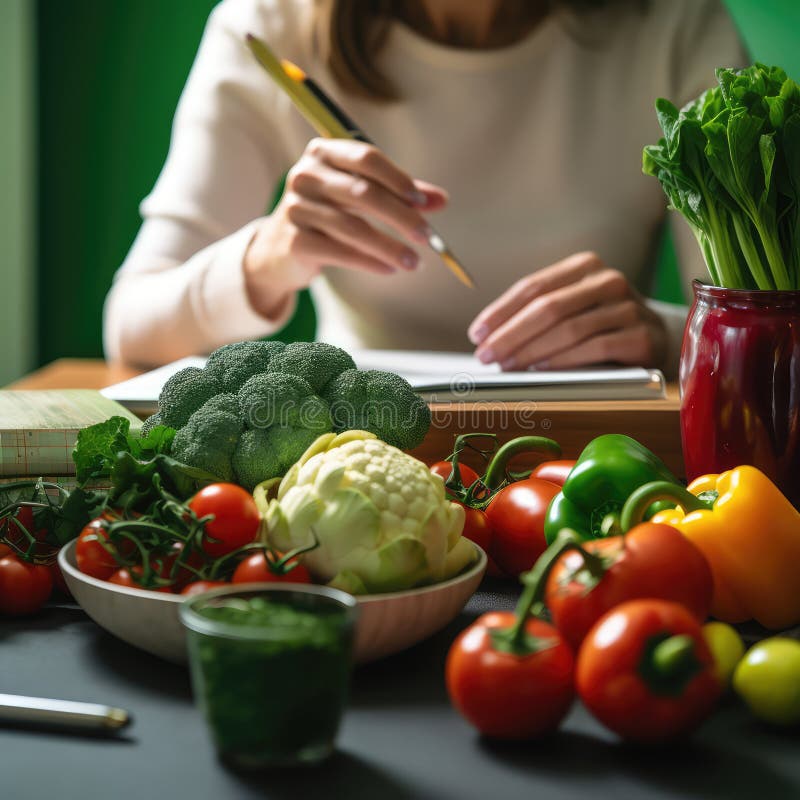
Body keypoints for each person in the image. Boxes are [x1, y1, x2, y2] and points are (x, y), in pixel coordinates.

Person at [103, 0, 747, 377]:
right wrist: (267, 259)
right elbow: (132, 327)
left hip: (593, 456)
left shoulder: (679, 26)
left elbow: (764, 332)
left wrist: (663, 336)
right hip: (356, 460)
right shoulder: (270, 24)